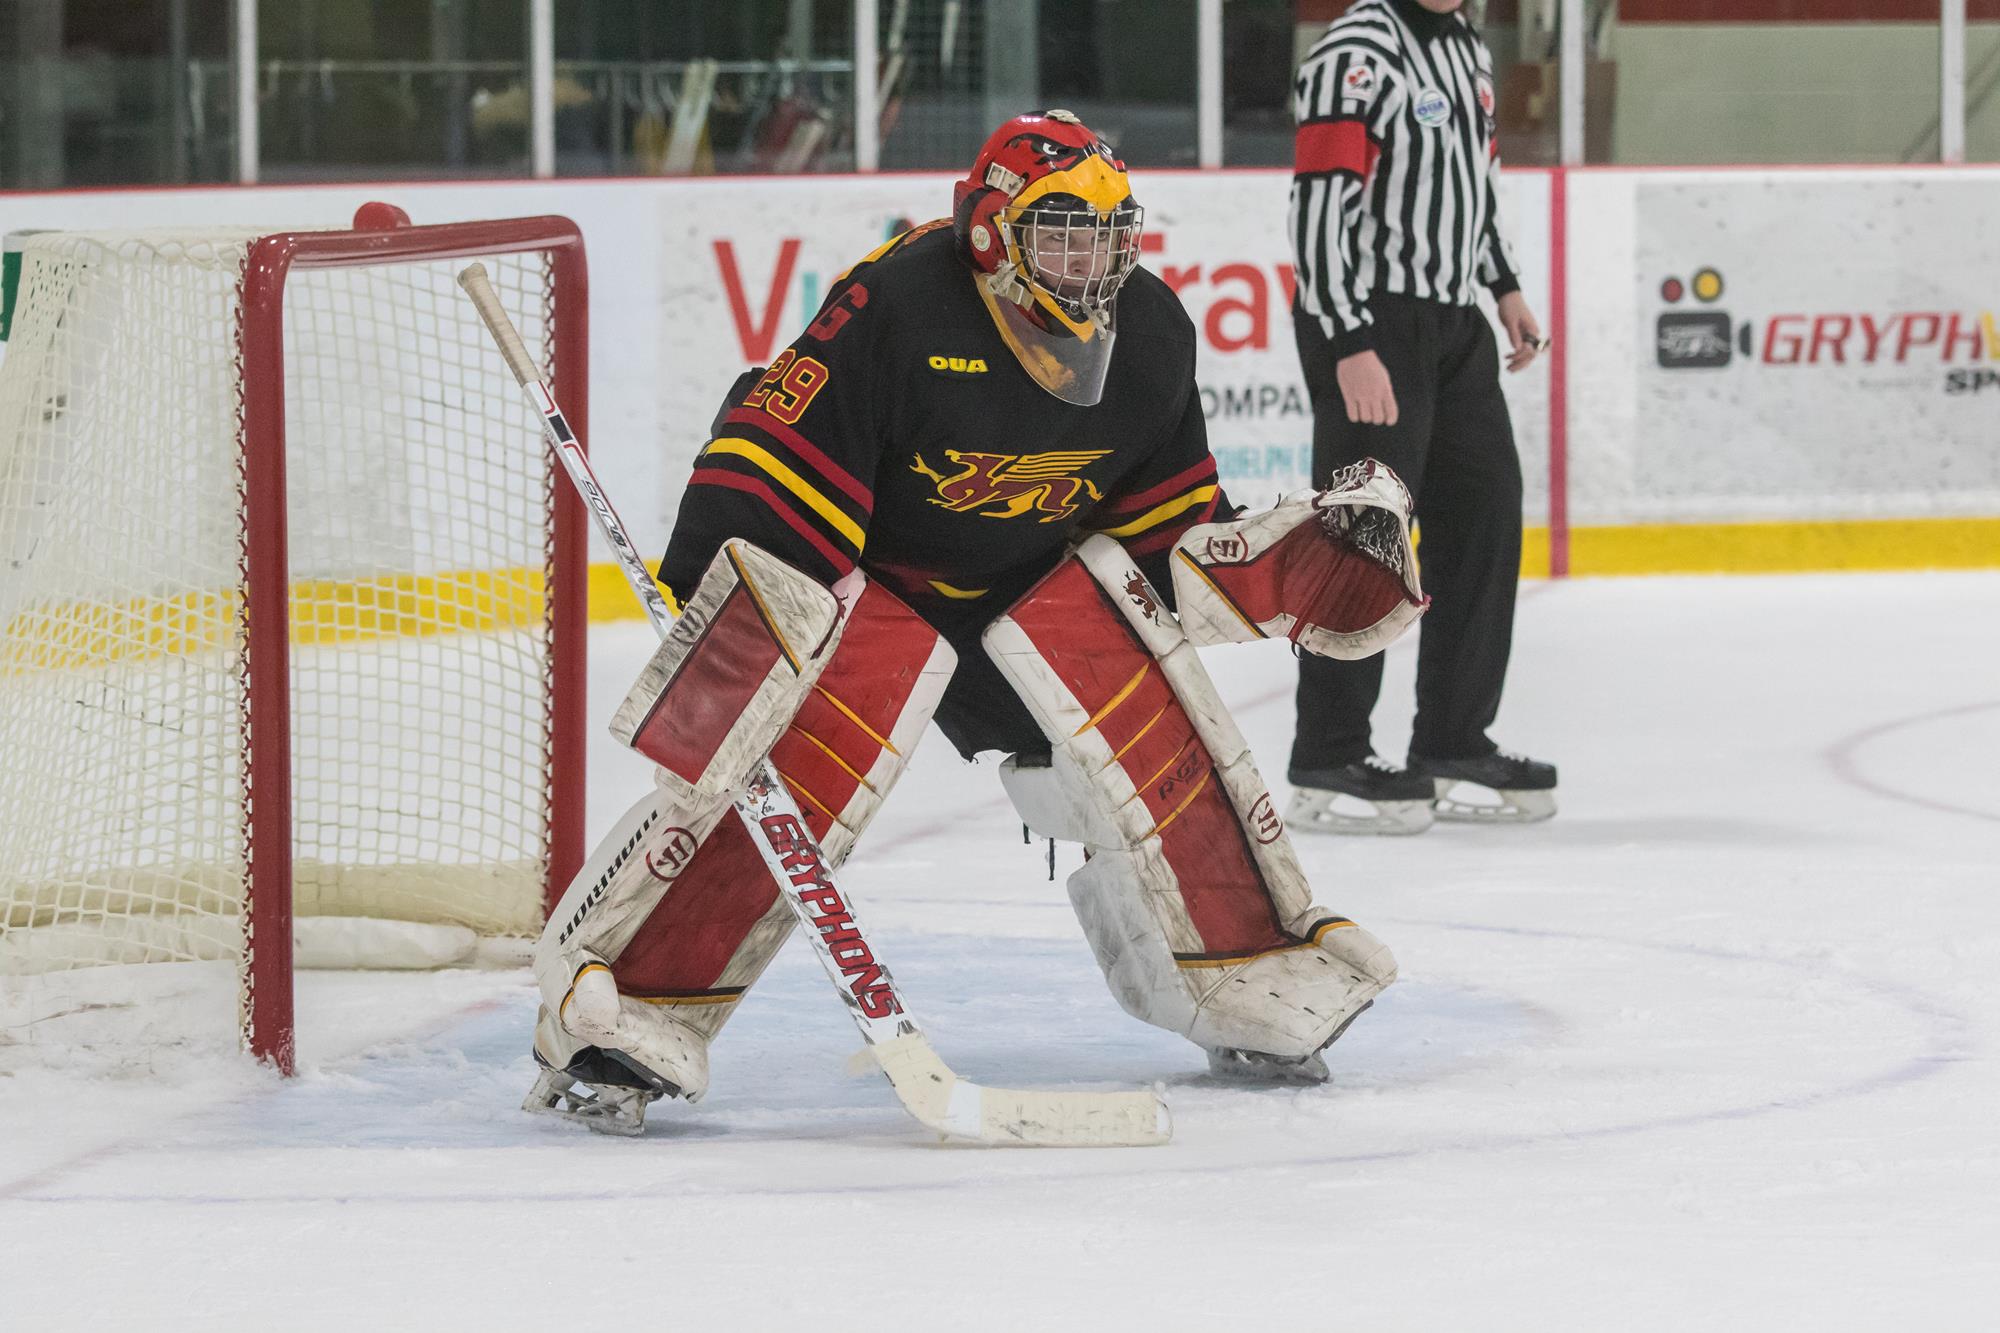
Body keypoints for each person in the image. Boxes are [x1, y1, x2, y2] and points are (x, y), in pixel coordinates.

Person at [521, 110, 1428, 1135]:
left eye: (1109, 234)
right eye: (1061, 234)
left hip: (1026, 590)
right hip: (881, 582)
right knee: (805, 759)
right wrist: (728, 651)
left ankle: (1240, 965)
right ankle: (622, 1002)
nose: (1092, 264)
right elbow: (768, 472)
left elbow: (1159, 543)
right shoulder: (896, 307)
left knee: (1153, 708)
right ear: (991, 230)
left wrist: (1287, 566)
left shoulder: (1152, 338)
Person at [1285, 0, 1559, 836]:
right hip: (1369, 319)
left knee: (1483, 516)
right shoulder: (1356, 50)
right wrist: (1347, 339)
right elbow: (1318, 208)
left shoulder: (1465, 46)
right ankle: (1329, 750)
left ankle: (1452, 737)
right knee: (1365, 531)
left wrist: (1503, 285)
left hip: (1452, 319)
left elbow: (1475, 182)